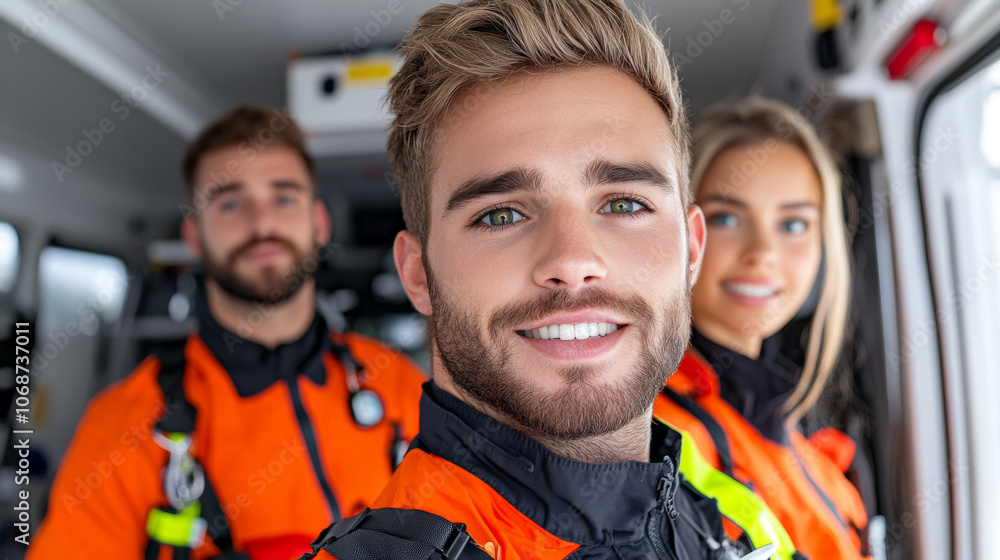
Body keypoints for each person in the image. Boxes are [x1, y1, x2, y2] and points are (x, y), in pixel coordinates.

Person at [300, 1, 764, 559]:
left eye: (622, 203)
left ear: (691, 250)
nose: (571, 260)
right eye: (501, 215)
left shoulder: (734, 529)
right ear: (418, 274)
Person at [28, 106, 426, 560]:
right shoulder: (123, 427)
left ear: (319, 224)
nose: (261, 224)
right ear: (194, 236)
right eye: (231, 203)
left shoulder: (397, 384)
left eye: (284, 197)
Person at [652, 97, 871, 560]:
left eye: (793, 224)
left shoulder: (793, 426)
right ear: (683, 233)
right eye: (727, 218)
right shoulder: (654, 432)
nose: (763, 252)